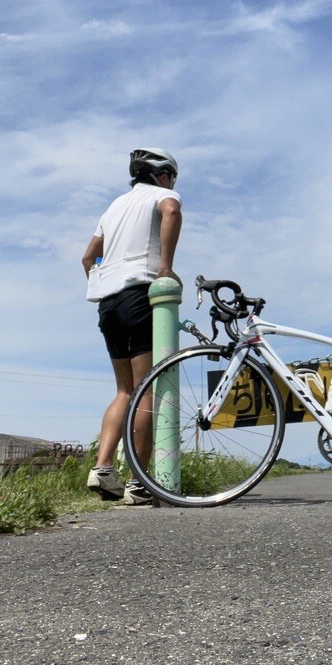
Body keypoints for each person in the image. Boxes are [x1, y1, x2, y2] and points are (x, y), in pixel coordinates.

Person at [81, 147, 183, 505]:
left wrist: (103, 281)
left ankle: (103, 469)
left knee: (125, 390)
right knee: (145, 389)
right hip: (140, 294)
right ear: (163, 174)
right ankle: (140, 483)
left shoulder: (113, 208)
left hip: (108, 303)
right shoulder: (164, 195)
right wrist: (165, 267)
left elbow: (87, 256)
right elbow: (171, 211)